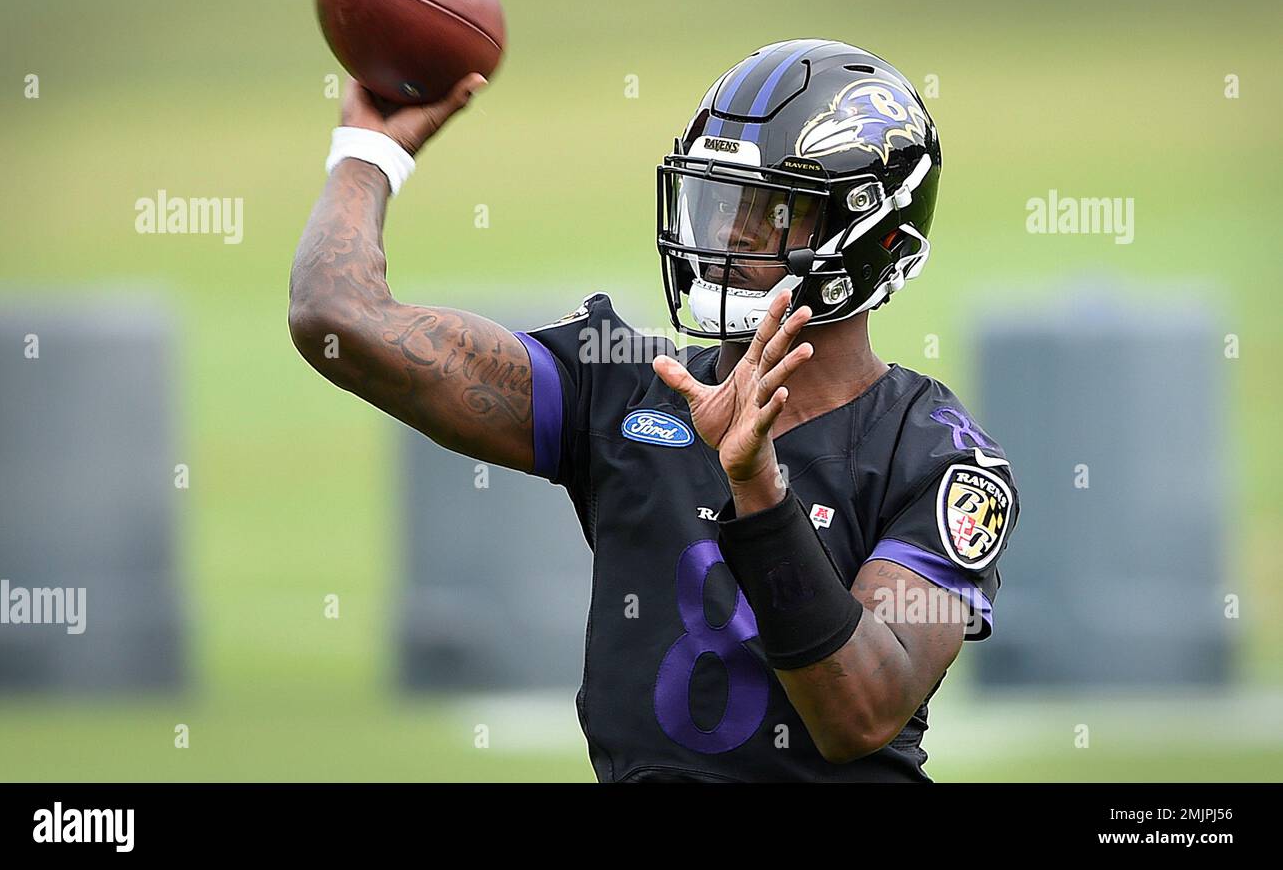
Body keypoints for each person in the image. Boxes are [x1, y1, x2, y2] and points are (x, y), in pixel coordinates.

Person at [289, 39, 1021, 782]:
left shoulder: (940, 459)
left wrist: (759, 493)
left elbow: (860, 714)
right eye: (720, 198)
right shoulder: (621, 386)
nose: (724, 234)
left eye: (767, 211)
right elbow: (337, 319)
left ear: (872, 237)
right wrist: (368, 152)